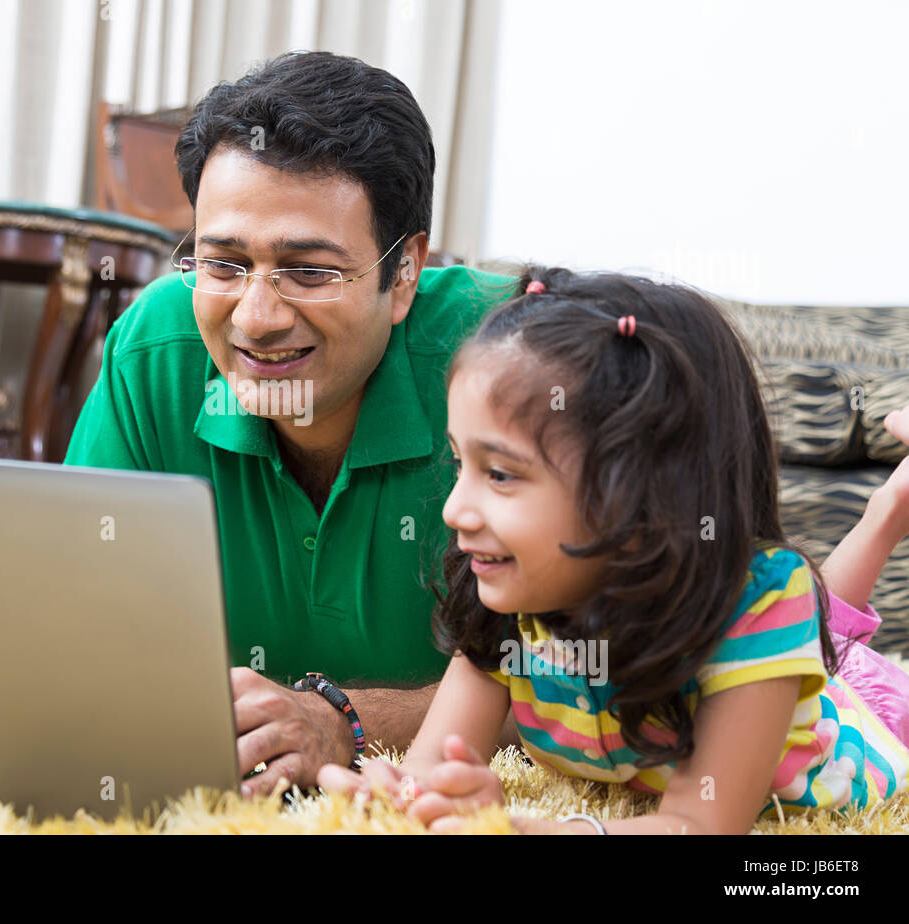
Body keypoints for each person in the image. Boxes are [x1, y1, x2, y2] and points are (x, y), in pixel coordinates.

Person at [64, 50, 519, 797]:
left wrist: (344, 720)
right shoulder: (156, 351)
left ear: (404, 273)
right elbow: (68, 624)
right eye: (223, 264)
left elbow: (595, 694)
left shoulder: (515, 367)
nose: (256, 319)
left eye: (309, 271)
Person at [318, 266, 909, 833]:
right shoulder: (512, 592)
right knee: (824, 635)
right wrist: (406, 796)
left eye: (499, 473)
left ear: (640, 491)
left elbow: (697, 824)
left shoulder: (761, 603)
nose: (453, 510)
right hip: (776, 655)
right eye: (459, 461)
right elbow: (435, 765)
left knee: (833, 644)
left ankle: (888, 510)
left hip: (871, 718)